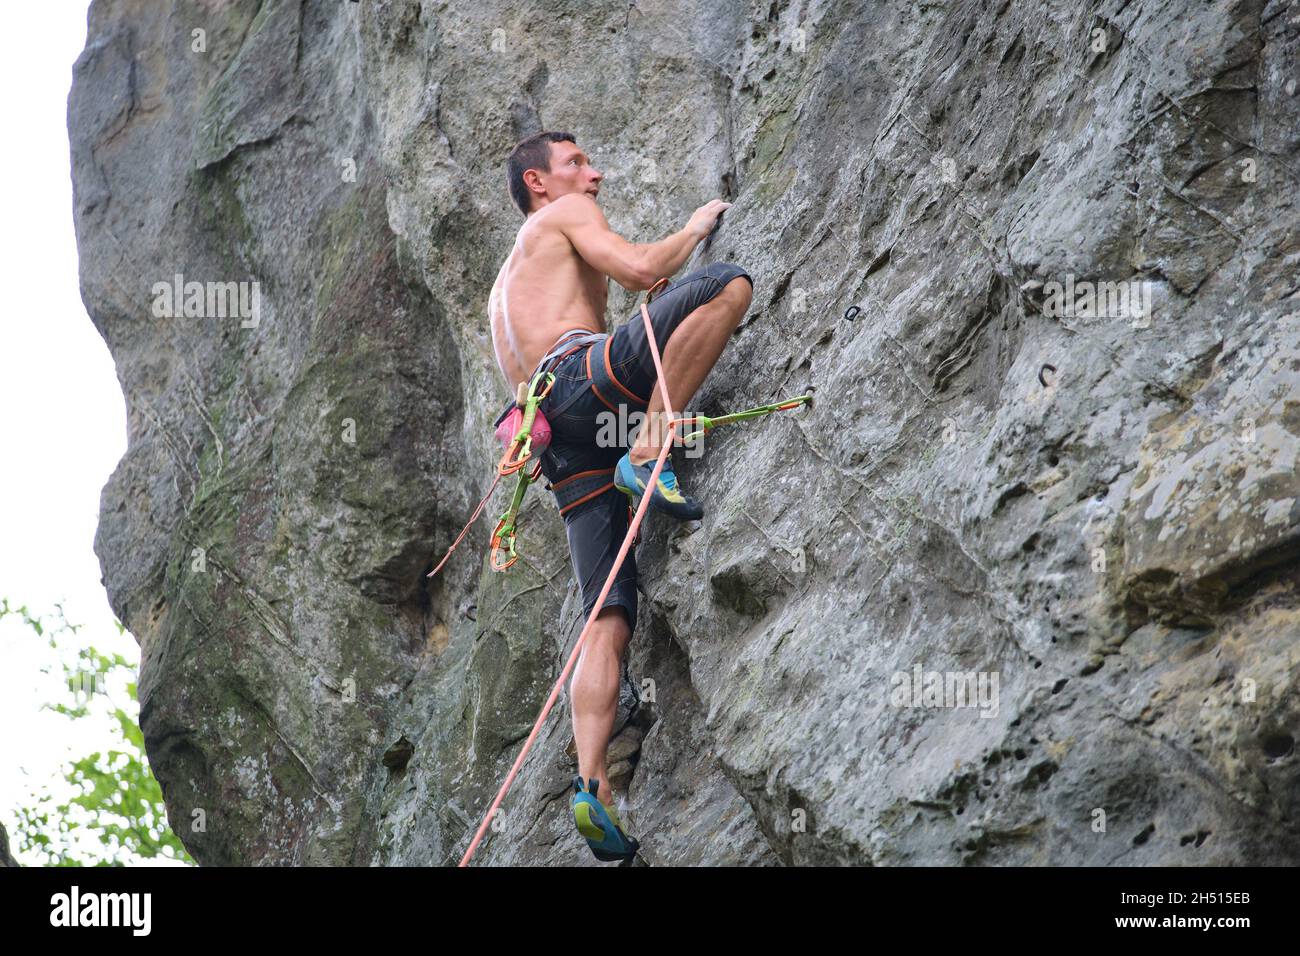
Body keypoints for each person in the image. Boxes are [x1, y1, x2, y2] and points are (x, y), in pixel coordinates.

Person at [488, 130, 753, 861]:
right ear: (539, 182)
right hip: (582, 383)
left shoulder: (504, 288)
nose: (593, 174)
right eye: (576, 163)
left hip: (556, 438)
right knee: (727, 282)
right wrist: (696, 230)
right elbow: (639, 268)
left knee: (605, 611)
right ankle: (649, 447)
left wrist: (640, 324)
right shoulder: (559, 217)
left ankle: (593, 782)